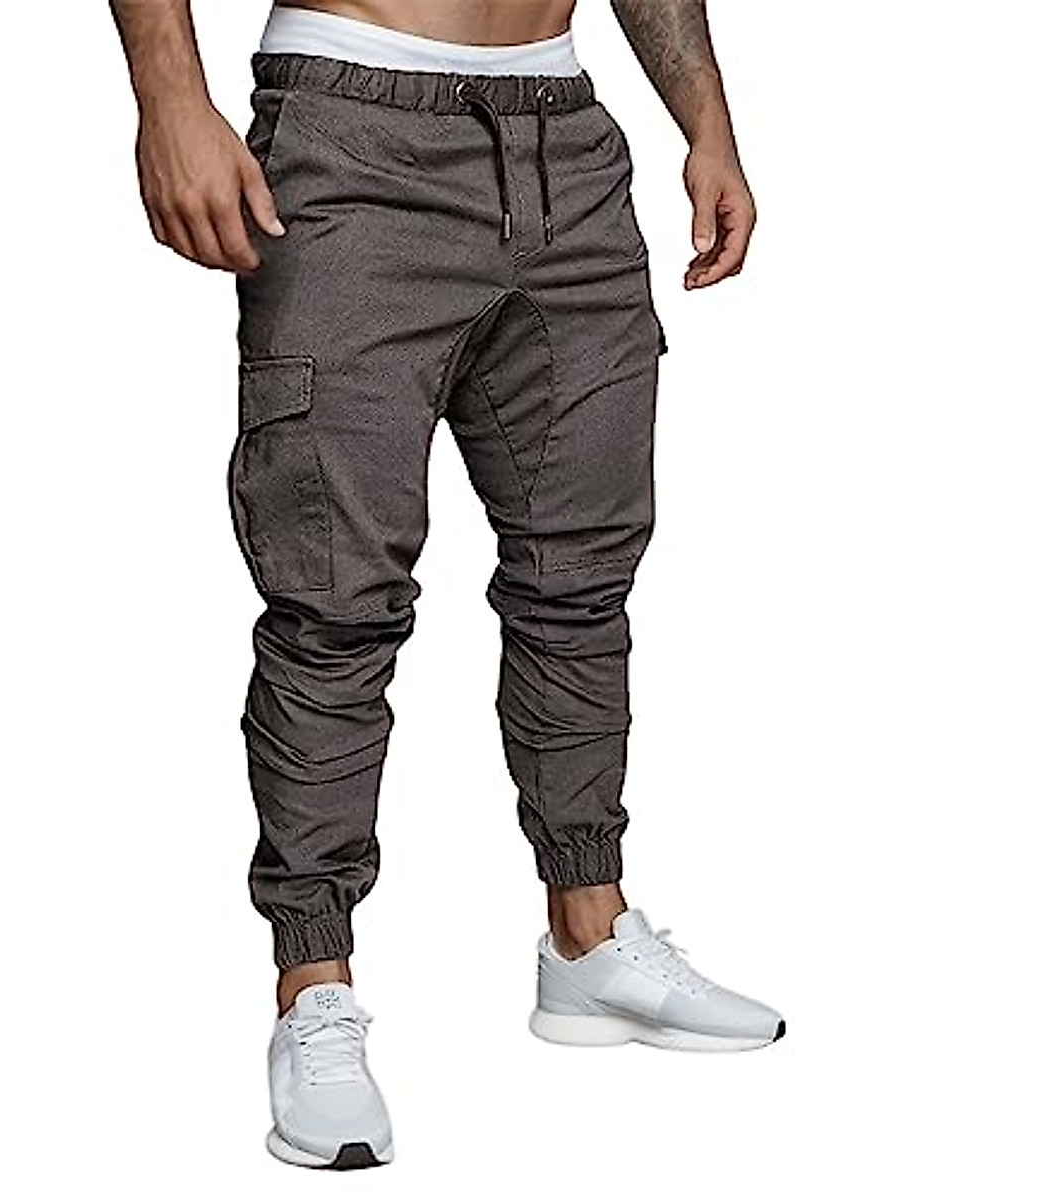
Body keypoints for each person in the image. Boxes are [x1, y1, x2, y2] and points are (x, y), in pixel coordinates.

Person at [110, 0, 784, 1170]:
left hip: (566, 140)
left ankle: (589, 937)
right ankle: (314, 986)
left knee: (581, 579)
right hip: (351, 130)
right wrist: (169, 94)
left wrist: (707, 122)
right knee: (334, 602)